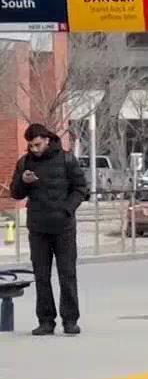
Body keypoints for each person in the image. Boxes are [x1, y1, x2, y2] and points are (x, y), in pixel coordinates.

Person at [8, 123, 89, 335]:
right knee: (41, 276)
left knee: (67, 274)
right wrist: (23, 182)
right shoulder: (25, 163)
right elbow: (15, 193)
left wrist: (67, 209)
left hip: (64, 227)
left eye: (36, 145)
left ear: (46, 139)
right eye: (30, 146)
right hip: (38, 227)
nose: (33, 149)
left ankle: (70, 320)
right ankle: (45, 321)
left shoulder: (66, 159)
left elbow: (81, 188)